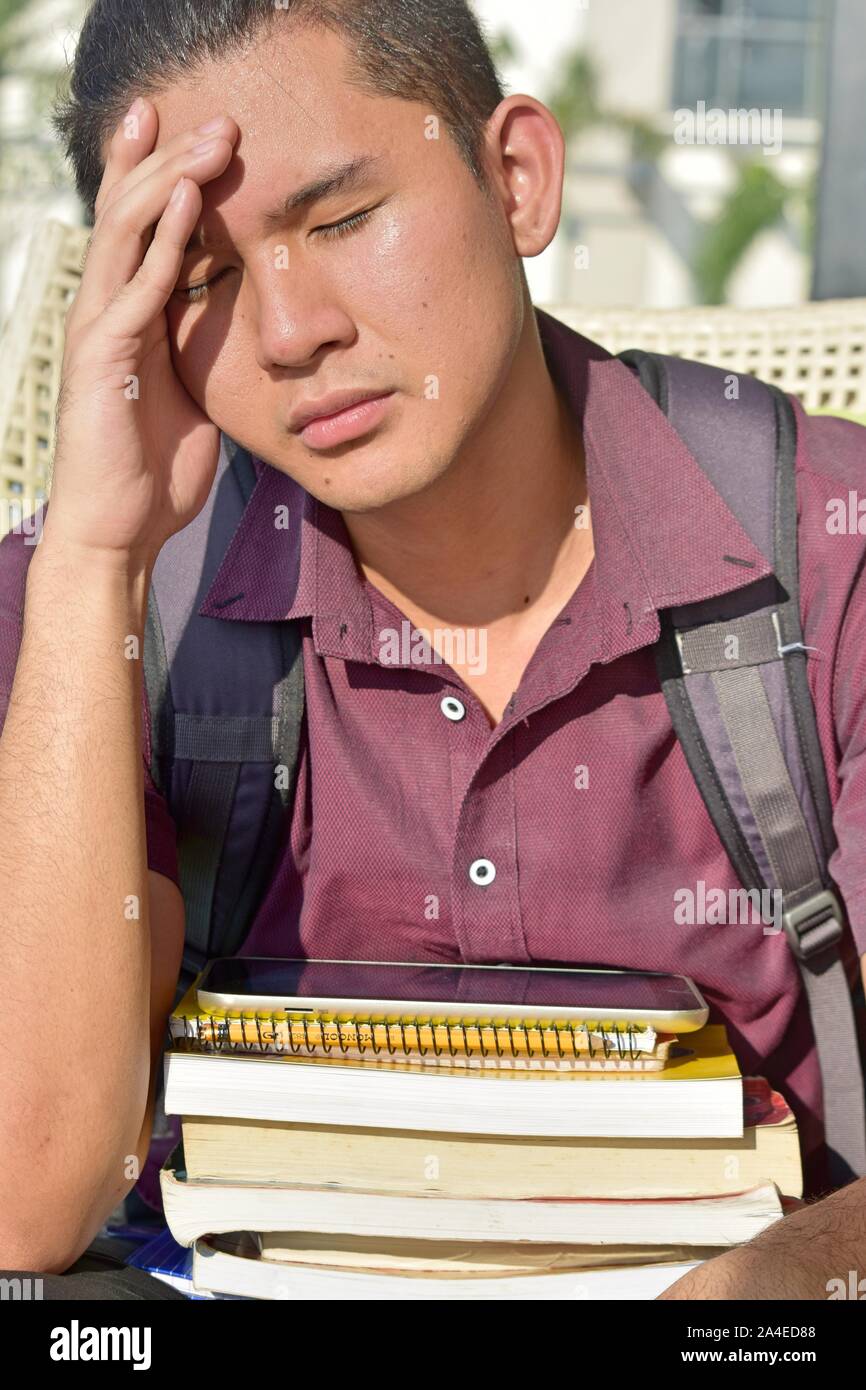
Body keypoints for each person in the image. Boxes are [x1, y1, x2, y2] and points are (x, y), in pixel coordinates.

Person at [0, 0, 864, 1302]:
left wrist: (777, 1281)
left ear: (515, 177)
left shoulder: (824, 559)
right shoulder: (92, 610)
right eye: (201, 277)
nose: (292, 331)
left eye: (342, 221)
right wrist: (91, 560)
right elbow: (25, 1198)